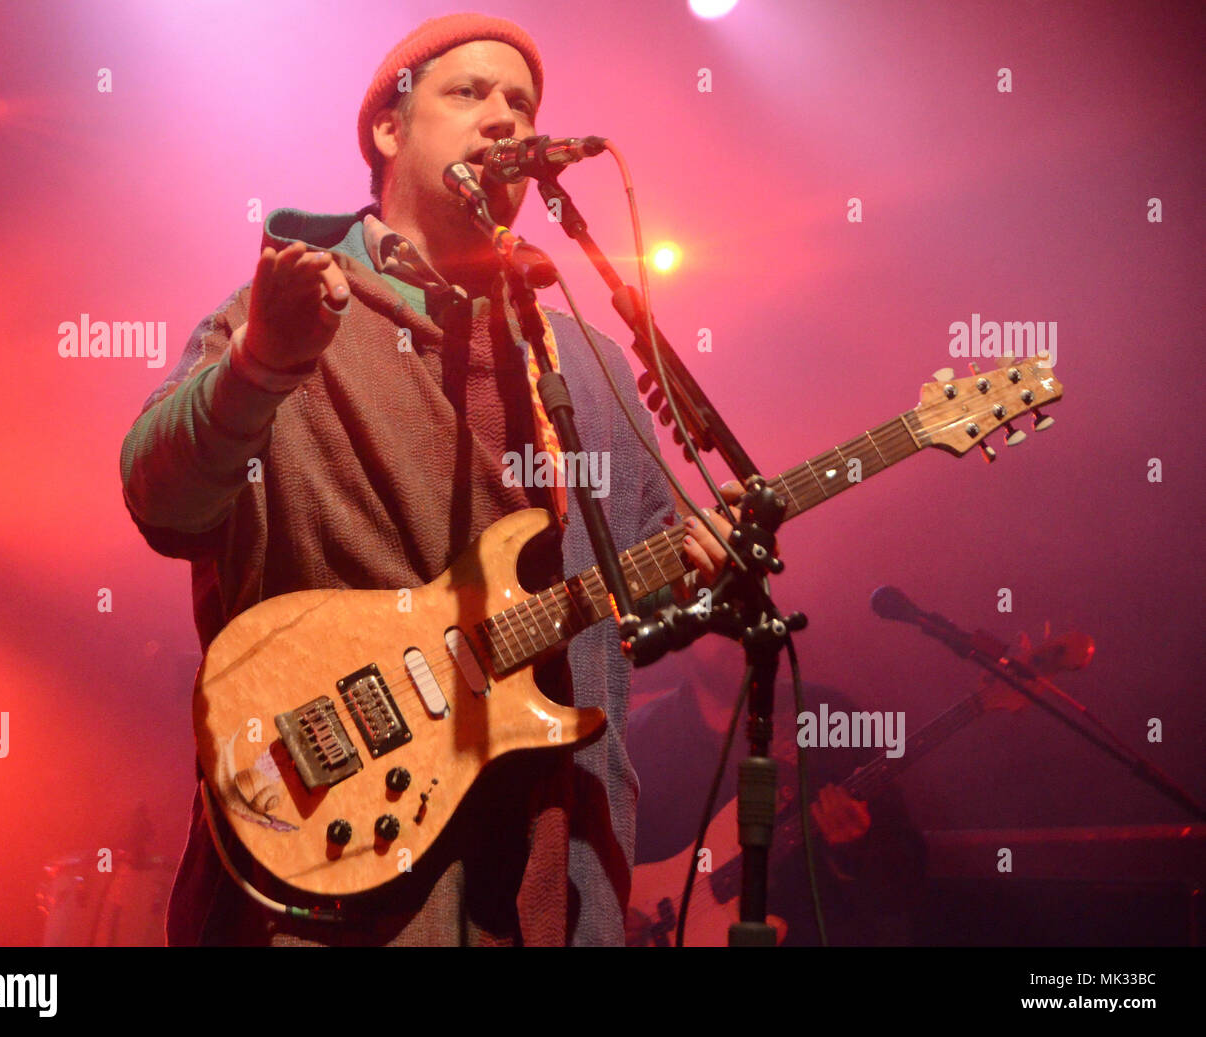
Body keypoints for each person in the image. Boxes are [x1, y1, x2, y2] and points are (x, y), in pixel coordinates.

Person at [119, 13, 734, 946]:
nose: (505, 121)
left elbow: (620, 625)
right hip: (338, 872)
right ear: (387, 129)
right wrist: (259, 369)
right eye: (468, 93)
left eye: (522, 105)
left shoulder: (586, 364)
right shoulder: (284, 306)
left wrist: (693, 572)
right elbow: (159, 498)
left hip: (543, 883)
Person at [627, 635, 927, 945]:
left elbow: (906, 883)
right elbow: (597, 865)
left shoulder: (828, 716)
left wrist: (857, 848)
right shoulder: (640, 739)